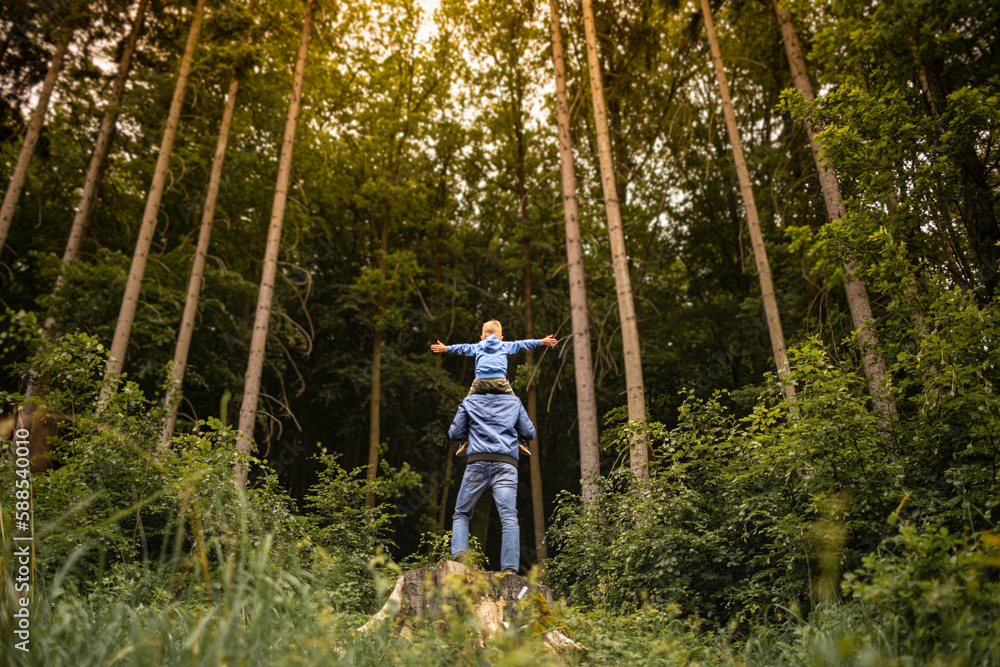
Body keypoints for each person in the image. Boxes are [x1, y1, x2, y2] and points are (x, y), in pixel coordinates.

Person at [431, 319, 556, 455]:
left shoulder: (478, 346)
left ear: (482, 337)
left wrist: (446, 348)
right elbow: (522, 344)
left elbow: (463, 348)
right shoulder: (504, 345)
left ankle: (465, 439)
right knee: (516, 405)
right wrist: (542, 341)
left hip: (480, 383)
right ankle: (521, 440)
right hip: (500, 382)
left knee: (466, 406)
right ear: (501, 337)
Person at [447, 388, 535, 573]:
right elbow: (529, 433)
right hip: (506, 463)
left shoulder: (470, 401)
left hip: (477, 461)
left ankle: (461, 561)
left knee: (462, 513)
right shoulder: (514, 401)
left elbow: (454, 434)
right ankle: (509, 570)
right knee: (509, 518)